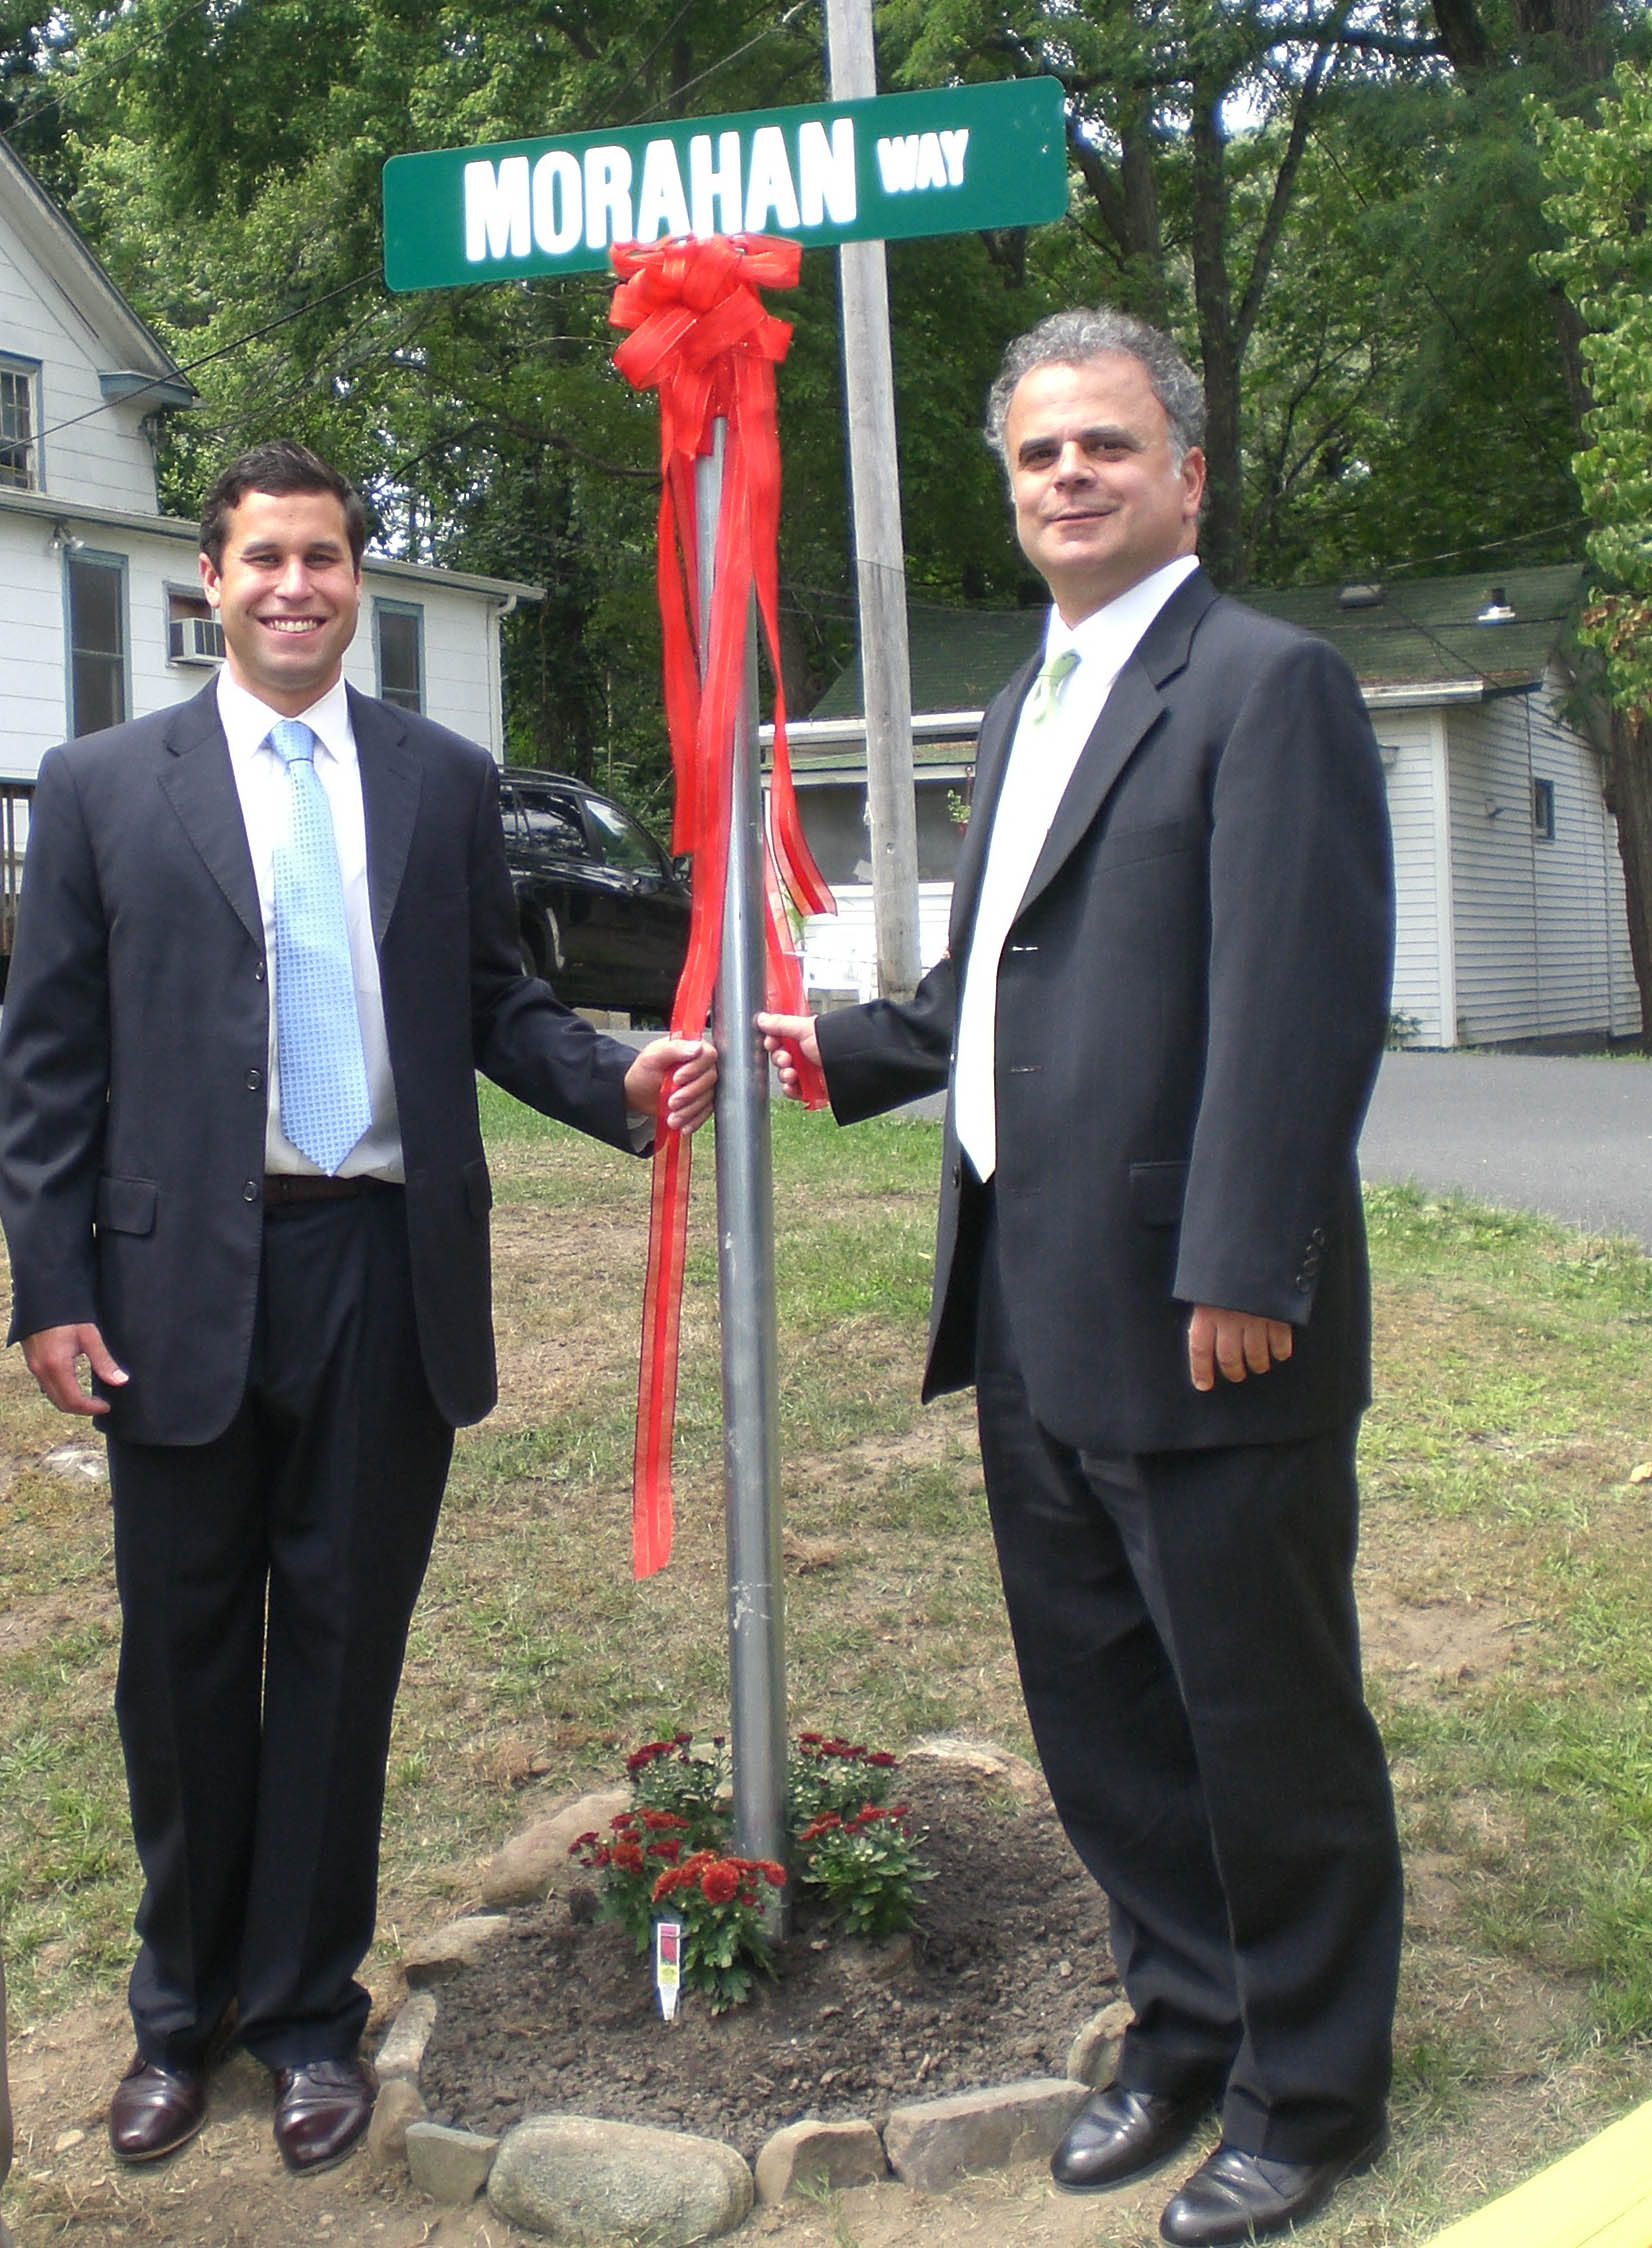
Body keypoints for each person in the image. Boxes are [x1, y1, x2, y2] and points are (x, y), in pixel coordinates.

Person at [759, 309, 1401, 2248]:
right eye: (1039, 454)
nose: (1069, 479)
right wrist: (843, 1053)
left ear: (1186, 473)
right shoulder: (1035, 697)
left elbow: (1302, 996)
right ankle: (1186, 2018)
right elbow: (999, 985)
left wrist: (1245, 1259)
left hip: (1204, 1317)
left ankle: (1312, 2088)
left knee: (1259, 1716)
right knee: (1104, 1711)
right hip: (1026, 1306)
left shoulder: (1262, 683)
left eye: (1106, 446)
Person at [0, 441, 715, 2178]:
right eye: (264, 560)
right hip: (174, 1286)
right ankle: (183, 2018)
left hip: (384, 1275)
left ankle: (311, 2013)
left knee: (338, 1659)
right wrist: (50, 1286)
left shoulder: (440, 780)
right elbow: (48, 1059)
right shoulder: (101, 783)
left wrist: (614, 1081)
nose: (296, 587)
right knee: (180, 1665)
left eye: (325, 557)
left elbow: (492, 997)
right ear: (212, 582)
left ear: (359, 581)